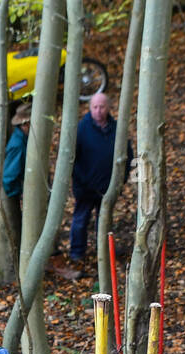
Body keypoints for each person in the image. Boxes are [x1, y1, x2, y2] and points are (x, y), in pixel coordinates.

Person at [68, 92, 121, 266]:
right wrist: (82, 181)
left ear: (108, 107)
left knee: (104, 221)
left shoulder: (116, 128)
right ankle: (77, 253)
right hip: (85, 188)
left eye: (102, 107)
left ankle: (104, 252)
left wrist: (122, 179)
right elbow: (72, 159)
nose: (98, 111)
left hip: (107, 187)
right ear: (90, 108)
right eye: (95, 107)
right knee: (81, 220)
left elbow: (126, 154)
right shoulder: (81, 129)